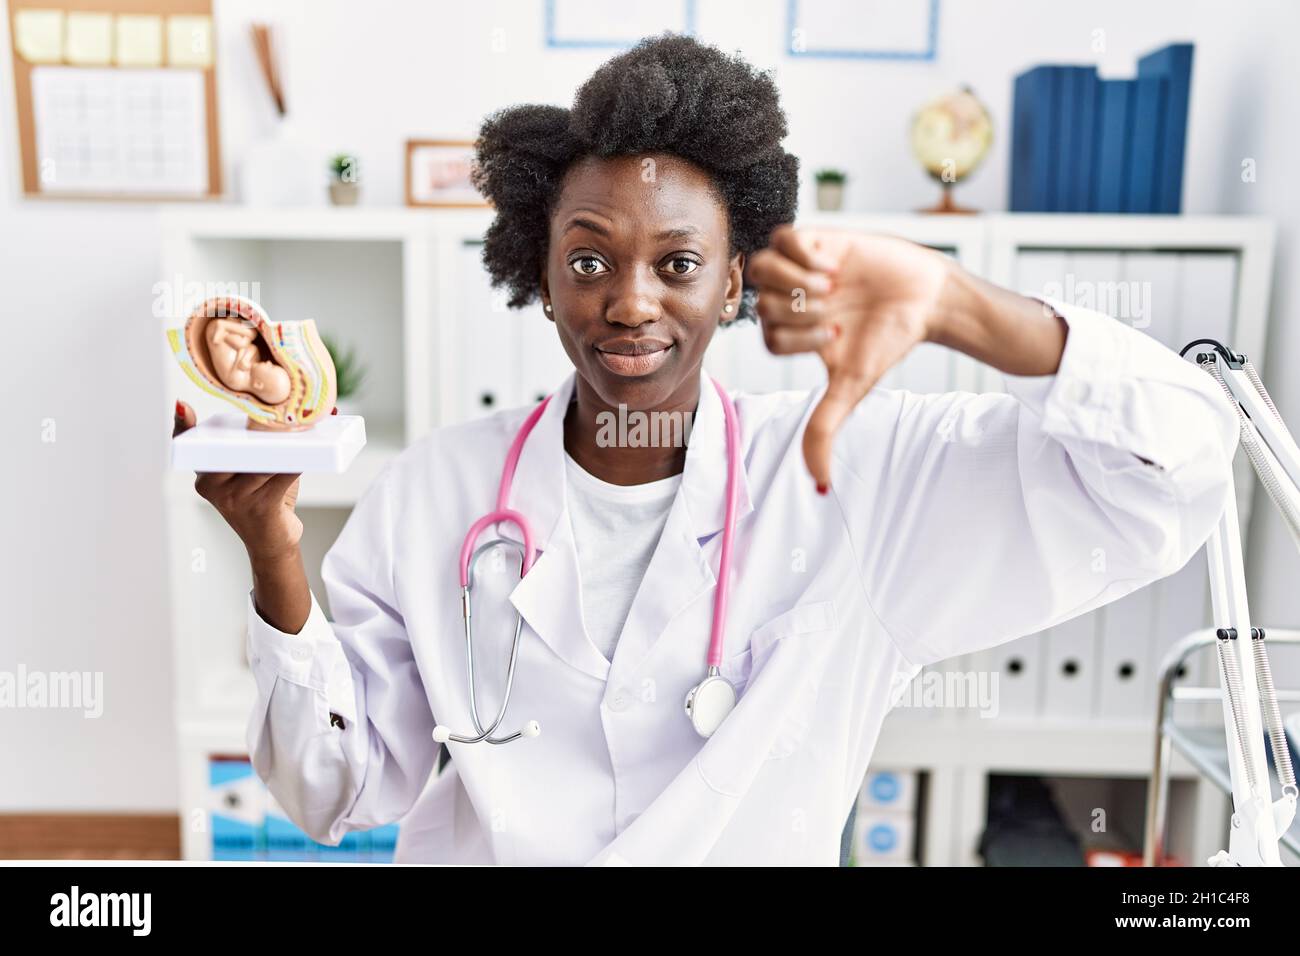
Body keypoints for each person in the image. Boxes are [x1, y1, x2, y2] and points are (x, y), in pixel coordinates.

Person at [172, 34, 1239, 865]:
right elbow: (336, 790)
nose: (629, 301)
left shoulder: (857, 475)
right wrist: (271, 546)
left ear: (732, 280)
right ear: (538, 274)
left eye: (677, 260)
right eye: (587, 260)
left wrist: (960, 304)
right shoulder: (437, 493)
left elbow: (1176, 467)